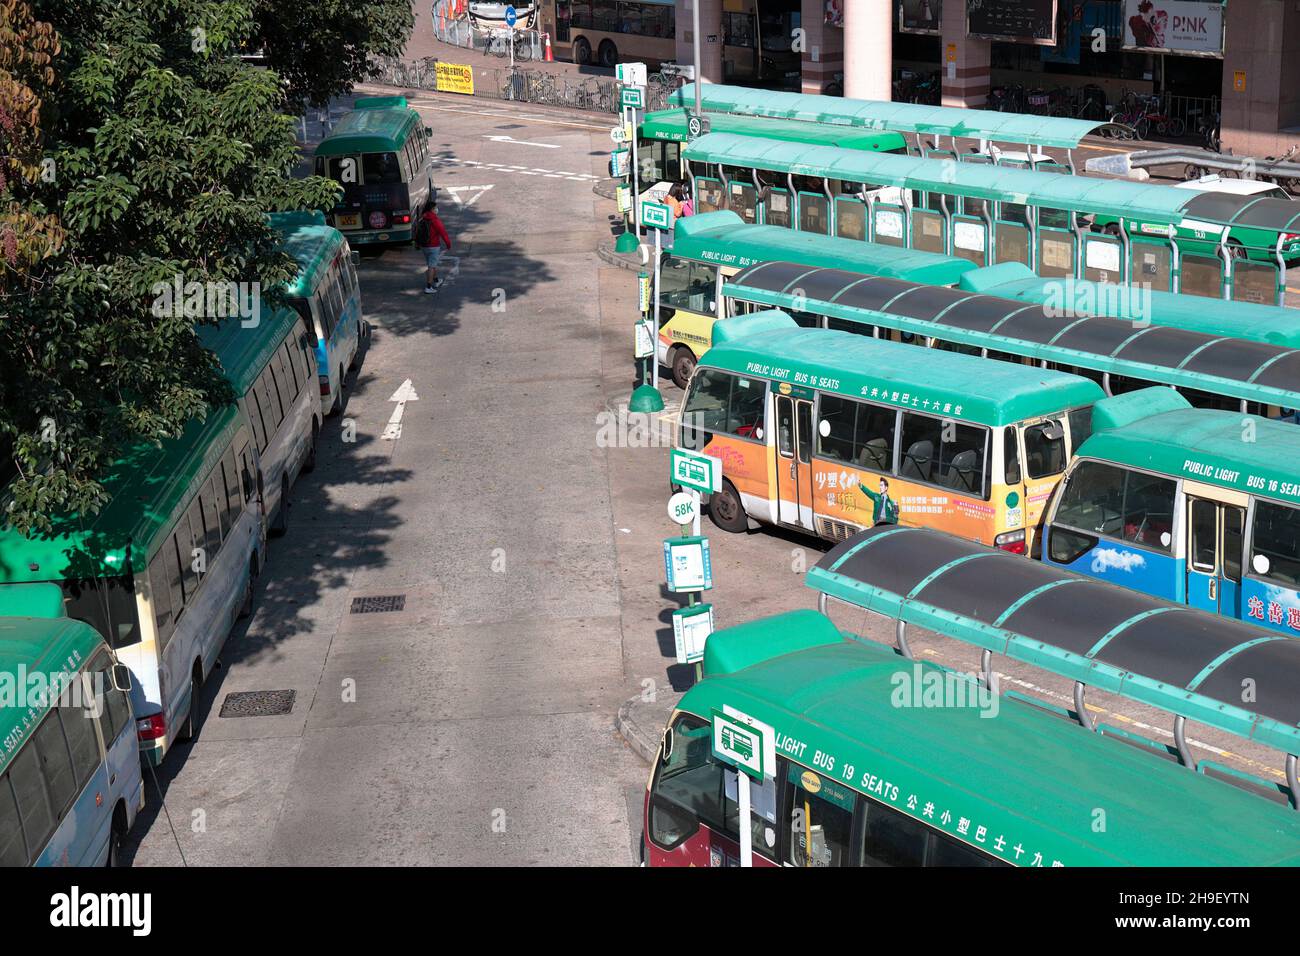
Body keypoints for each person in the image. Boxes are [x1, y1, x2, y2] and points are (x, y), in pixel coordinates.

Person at [415, 198, 452, 293]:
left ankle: (436, 280)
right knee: (431, 266)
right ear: (432, 209)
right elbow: (443, 233)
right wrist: (448, 244)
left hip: (424, 246)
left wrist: (417, 244)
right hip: (433, 246)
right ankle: (428, 287)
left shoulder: (423, 218)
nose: (437, 209)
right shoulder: (435, 220)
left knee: (432, 263)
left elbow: (417, 232)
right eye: (435, 208)